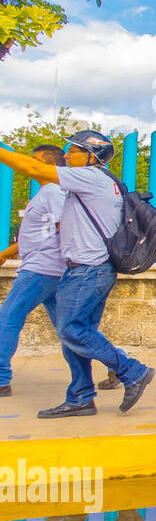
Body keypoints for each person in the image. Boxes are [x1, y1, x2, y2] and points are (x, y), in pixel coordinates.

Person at [0, 130, 154, 416]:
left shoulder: (91, 177)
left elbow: (33, 168)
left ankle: (132, 371)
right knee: (77, 334)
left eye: (73, 150)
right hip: (91, 270)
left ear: (91, 155)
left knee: (71, 330)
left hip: (87, 271)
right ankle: (81, 397)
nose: (67, 155)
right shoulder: (104, 182)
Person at [0, 145, 68, 397]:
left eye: (36, 160)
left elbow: (66, 228)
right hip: (48, 268)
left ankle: (1, 379)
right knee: (70, 328)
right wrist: (7, 254)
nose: (31, 164)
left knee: (7, 319)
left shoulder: (53, 191)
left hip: (41, 269)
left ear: (50, 166)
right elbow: (44, 233)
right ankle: (120, 364)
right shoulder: (47, 192)